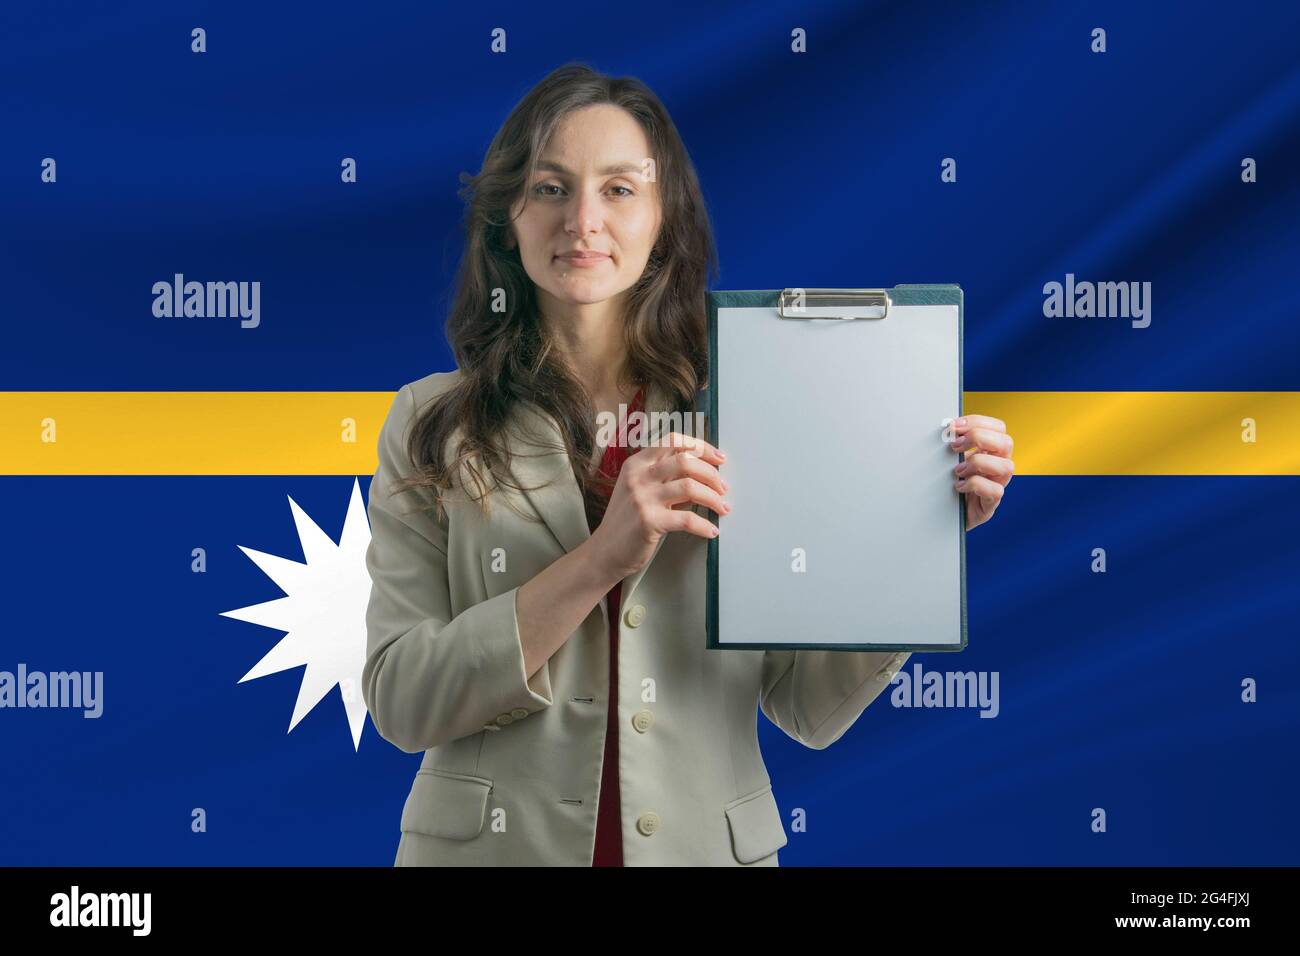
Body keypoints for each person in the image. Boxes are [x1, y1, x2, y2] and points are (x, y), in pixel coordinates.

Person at [362, 62, 1016, 866]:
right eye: (551, 187)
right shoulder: (430, 422)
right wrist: (603, 557)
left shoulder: (755, 403)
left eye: (619, 190)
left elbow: (807, 708)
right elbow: (401, 698)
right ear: (509, 215)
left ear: (665, 219)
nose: (583, 221)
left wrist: (918, 531)